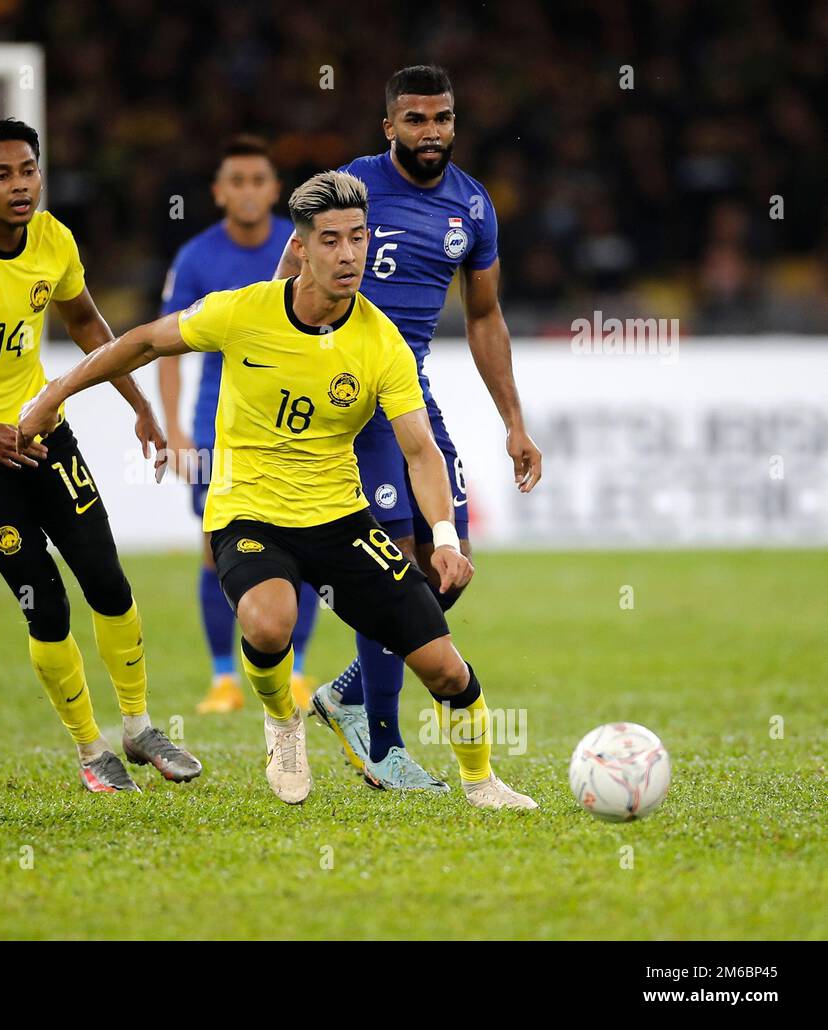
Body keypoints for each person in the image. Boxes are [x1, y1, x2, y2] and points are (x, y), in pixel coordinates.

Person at [20, 170, 537, 810]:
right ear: (301, 247)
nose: (348, 255)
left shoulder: (380, 341)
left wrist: (445, 536)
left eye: (357, 238)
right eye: (330, 241)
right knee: (270, 624)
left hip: (341, 520)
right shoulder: (244, 312)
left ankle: (482, 781)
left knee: (444, 668)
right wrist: (53, 395)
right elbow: (144, 342)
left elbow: (420, 450)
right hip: (249, 514)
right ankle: (284, 722)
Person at [0, 118, 201, 794]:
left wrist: (139, 404)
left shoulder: (54, 238)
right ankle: (92, 750)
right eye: (2, 175)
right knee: (46, 603)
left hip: (43, 435)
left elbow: (87, 323)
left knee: (107, 579)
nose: (20, 184)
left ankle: (139, 726)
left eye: (28, 170)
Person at [275, 65, 543, 792]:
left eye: (443, 119)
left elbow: (484, 317)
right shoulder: (351, 190)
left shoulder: (474, 208)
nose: (432, 133)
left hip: (407, 395)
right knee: (389, 559)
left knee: (444, 564)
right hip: (341, 396)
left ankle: (349, 693)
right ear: (388, 126)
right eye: (416, 120)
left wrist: (513, 422)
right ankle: (383, 746)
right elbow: (282, 290)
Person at [158, 135, 320, 715]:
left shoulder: (303, 246)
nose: (249, 191)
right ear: (220, 192)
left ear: (276, 190)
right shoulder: (197, 258)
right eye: (238, 181)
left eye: (259, 180)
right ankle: (224, 678)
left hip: (295, 428)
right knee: (213, 550)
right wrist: (175, 430)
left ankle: (296, 672)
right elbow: (170, 347)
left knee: (305, 547)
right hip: (216, 432)